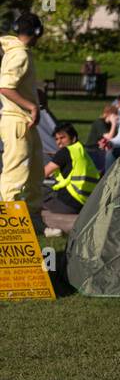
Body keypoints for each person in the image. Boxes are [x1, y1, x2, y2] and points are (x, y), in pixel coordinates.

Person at [0, 12, 48, 234]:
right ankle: (11, 223)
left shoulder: (20, 52)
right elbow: (5, 87)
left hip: (25, 121)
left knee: (36, 171)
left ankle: (33, 219)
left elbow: (16, 85)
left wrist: (34, 96)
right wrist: (31, 106)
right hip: (17, 121)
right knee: (15, 173)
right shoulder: (19, 54)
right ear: (37, 32)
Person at [43, 122, 100, 219]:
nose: (59, 142)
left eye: (62, 138)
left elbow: (42, 174)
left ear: (73, 138)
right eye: (56, 139)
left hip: (67, 204)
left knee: (36, 188)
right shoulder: (81, 151)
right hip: (83, 204)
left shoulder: (65, 152)